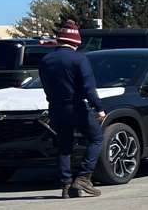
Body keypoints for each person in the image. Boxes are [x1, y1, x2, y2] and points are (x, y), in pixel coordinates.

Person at [38, 20, 105, 198]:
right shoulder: (79, 58)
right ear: (75, 42)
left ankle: (66, 185)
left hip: (56, 107)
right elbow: (88, 86)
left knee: (64, 146)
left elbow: (45, 86)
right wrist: (98, 107)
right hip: (76, 106)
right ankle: (83, 177)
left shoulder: (46, 60)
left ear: (59, 41)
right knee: (97, 139)